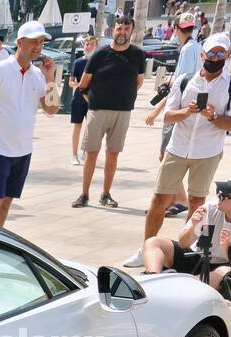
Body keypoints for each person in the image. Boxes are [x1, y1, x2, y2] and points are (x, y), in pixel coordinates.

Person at [126, 32, 231, 265]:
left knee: (196, 203)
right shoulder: (184, 80)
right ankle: (147, 247)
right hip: (178, 147)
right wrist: (187, 112)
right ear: (203, 55)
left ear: (227, 55)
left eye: (221, 53)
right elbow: (169, 115)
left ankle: (183, 251)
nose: (216, 58)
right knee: (159, 199)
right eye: (212, 53)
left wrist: (212, 116)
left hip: (208, 150)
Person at [0, 21, 59, 227]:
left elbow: (52, 109)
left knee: (6, 202)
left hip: (23, 150)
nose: (38, 46)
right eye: (33, 41)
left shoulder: (38, 75)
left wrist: (50, 78)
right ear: (20, 42)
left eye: (41, 42)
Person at [74, 15, 145, 208]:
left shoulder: (138, 55)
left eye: (126, 29)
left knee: (113, 154)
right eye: (119, 28)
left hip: (122, 111)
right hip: (98, 110)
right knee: (91, 153)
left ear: (132, 31)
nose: (122, 32)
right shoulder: (99, 55)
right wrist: (94, 101)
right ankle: (84, 194)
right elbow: (83, 85)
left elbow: (138, 82)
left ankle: (105, 194)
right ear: (113, 30)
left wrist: (124, 96)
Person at [142, 175, 231, 290]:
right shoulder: (210, 208)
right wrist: (194, 228)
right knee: (153, 242)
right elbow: (183, 243)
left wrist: (227, 248)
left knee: (225, 271)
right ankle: (152, 281)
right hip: (198, 256)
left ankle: (180, 287)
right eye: (218, 192)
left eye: (223, 196)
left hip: (224, 265)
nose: (218, 197)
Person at [69, 35, 98, 165]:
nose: (89, 46)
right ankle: (74, 155)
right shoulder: (78, 62)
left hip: (93, 101)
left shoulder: (98, 63)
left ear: (96, 47)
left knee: (91, 128)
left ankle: (85, 153)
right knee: (77, 127)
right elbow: (71, 82)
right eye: (87, 44)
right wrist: (80, 87)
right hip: (78, 100)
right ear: (83, 46)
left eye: (92, 44)